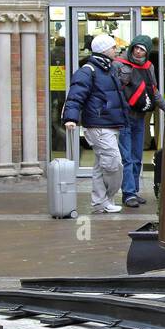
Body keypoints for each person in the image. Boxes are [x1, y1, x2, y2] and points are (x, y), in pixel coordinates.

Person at [62, 33, 127, 214]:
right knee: (114, 163)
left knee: (101, 165)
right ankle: (107, 198)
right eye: (113, 47)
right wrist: (71, 118)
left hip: (109, 123)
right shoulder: (88, 70)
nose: (117, 50)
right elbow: (75, 95)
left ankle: (100, 202)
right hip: (99, 125)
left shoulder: (109, 69)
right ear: (105, 50)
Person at [112, 35, 165, 207]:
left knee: (137, 156)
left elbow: (153, 91)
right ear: (132, 47)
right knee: (126, 157)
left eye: (143, 50)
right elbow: (112, 91)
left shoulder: (149, 67)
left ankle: (134, 190)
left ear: (147, 52)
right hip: (124, 117)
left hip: (139, 117)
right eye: (137, 48)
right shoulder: (118, 64)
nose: (139, 52)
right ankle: (128, 193)